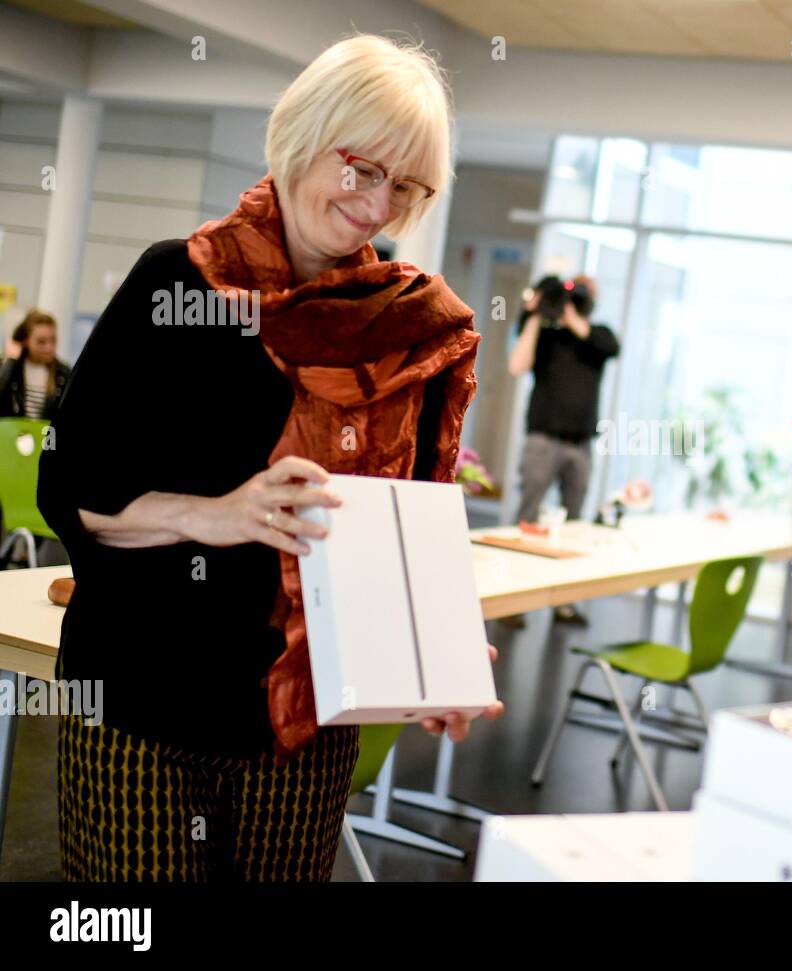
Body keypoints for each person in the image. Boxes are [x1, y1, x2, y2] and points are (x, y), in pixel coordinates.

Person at [36, 34, 503, 882]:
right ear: (301, 134)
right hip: (144, 699)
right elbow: (70, 483)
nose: (376, 205)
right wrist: (218, 513)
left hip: (307, 720)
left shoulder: (409, 326)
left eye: (405, 186)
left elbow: (407, 521)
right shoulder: (178, 282)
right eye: (361, 168)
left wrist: (429, 647)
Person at [506, 273, 619, 626]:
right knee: (527, 517)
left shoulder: (599, 336)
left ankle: (564, 603)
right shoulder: (545, 336)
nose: (576, 297)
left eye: (583, 292)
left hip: (580, 445)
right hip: (543, 439)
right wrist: (539, 313)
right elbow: (516, 366)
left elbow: (607, 347)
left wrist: (569, 315)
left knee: (574, 525)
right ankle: (514, 600)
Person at [1, 309, 70, 419]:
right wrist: (11, 361)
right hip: (11, 433)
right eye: (41, 342)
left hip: (47, 435)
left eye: (53, 340)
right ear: (26, 341)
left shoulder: (62, 373)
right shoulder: (11, 367)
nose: (49, 347)